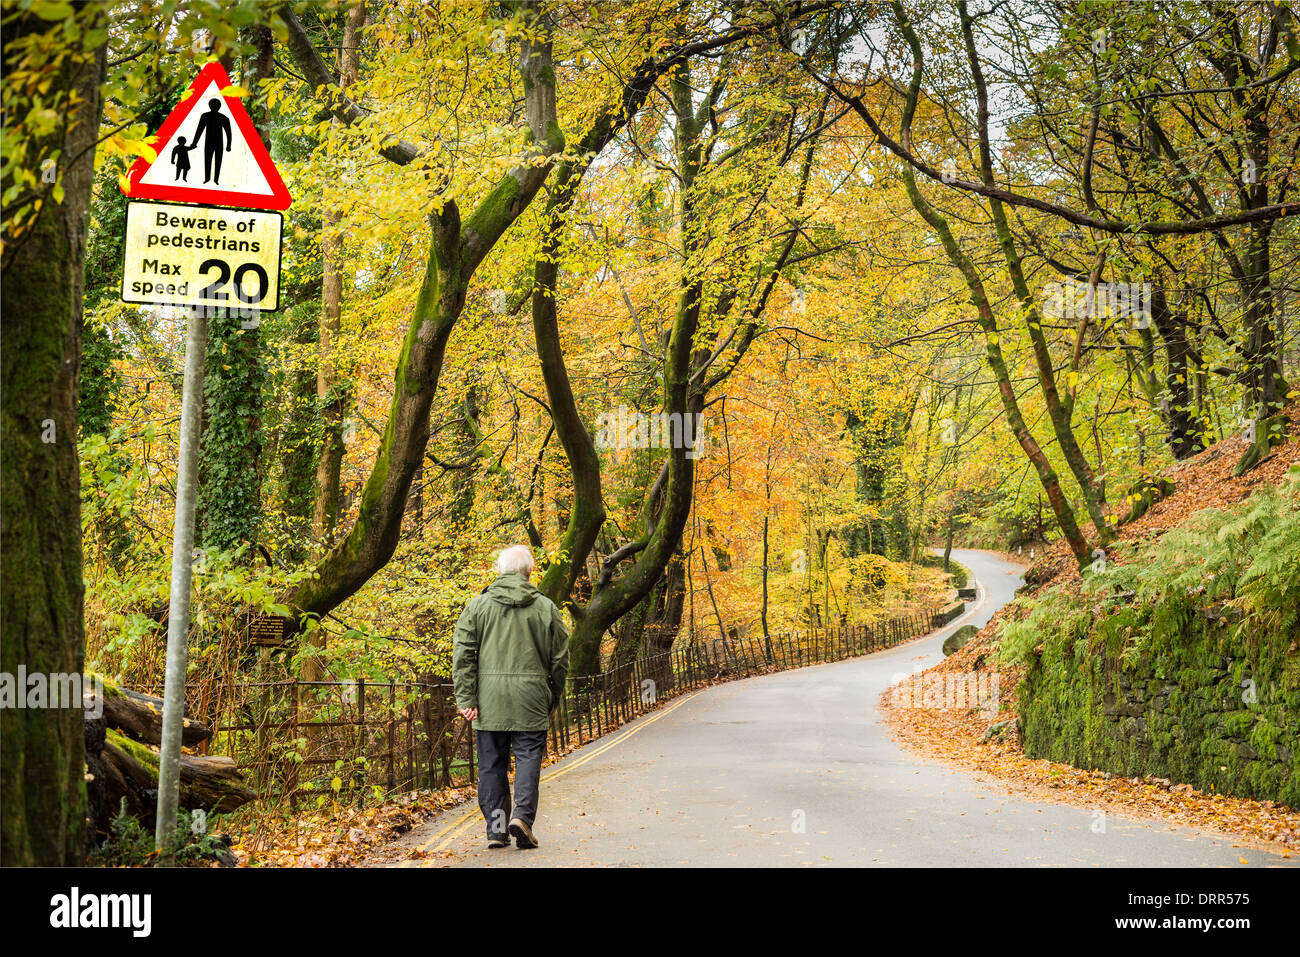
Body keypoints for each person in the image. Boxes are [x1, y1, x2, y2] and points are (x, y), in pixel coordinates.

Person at [452, 545, 569, 849]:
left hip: (488, 699)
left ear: (499, 571)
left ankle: (497, 830)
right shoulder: (546, 608)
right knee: (529, 757)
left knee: (492, 763)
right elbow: (560, 659)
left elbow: (463, 654)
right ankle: (522, 819)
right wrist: (552, 696)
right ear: (530, 572)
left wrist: (466, 697)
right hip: (531, 697)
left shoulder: (477, 607)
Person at [192, 98, 232, 184]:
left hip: (217, 143)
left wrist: (229, 145)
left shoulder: (223, 118)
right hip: (211, 142)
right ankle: (208, 178)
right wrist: (194, 143)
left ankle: (215, 179)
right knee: (209, 160)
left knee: (216, 161)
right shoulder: (206, 116)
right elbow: (199, 130)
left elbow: (228, 133)